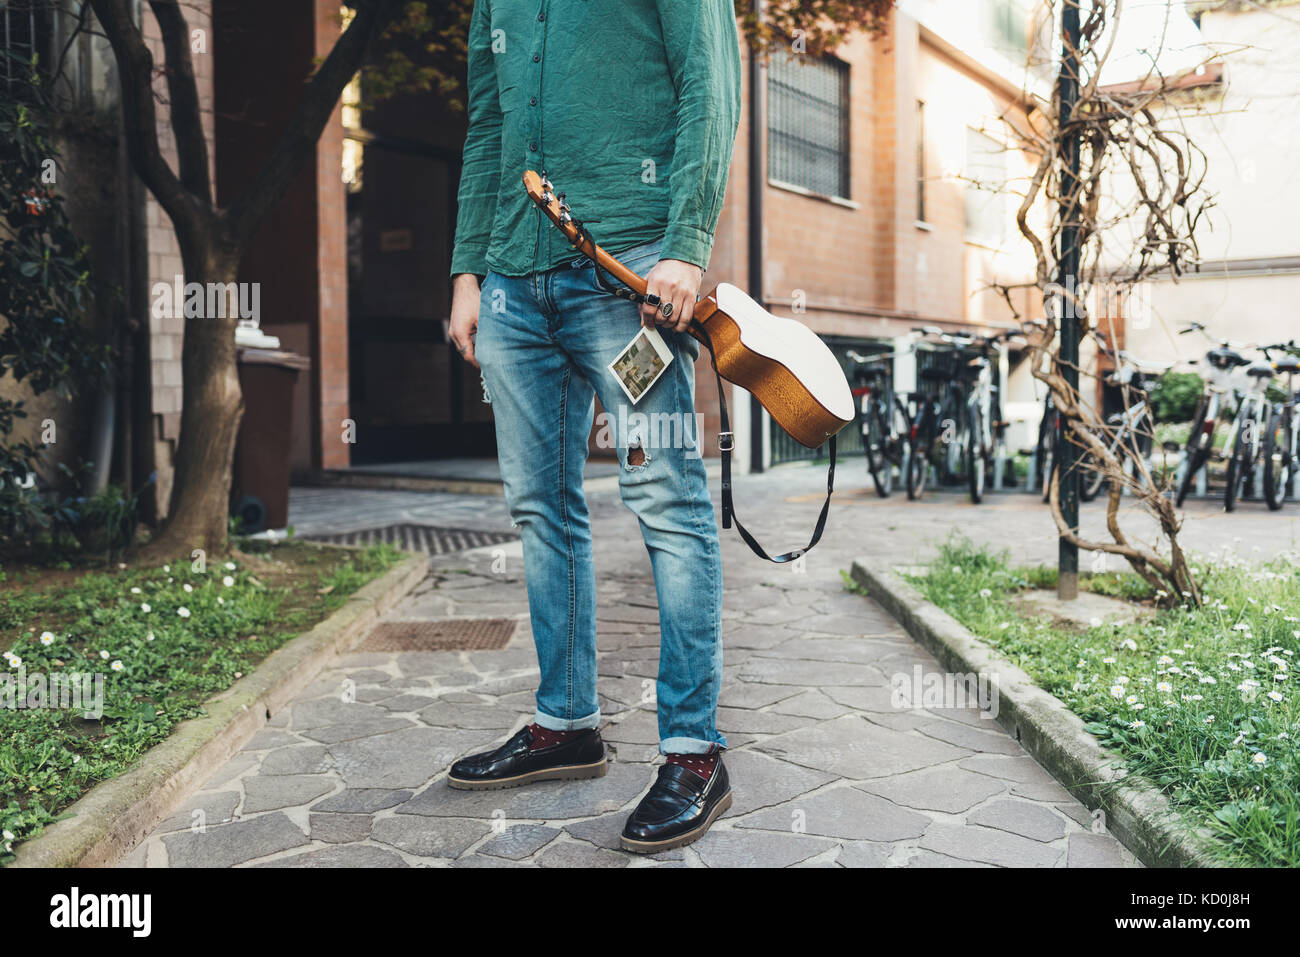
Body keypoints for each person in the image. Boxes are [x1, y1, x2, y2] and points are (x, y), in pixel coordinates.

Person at [443, 0, 742, 853]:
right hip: (512, 281)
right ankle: (567, 722)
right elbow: (489, 125)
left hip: (632, 277)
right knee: (541, 507)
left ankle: (694, 750)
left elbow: (709, 88)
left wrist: (686, 243)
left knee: (666, 502)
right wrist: (468, 270)